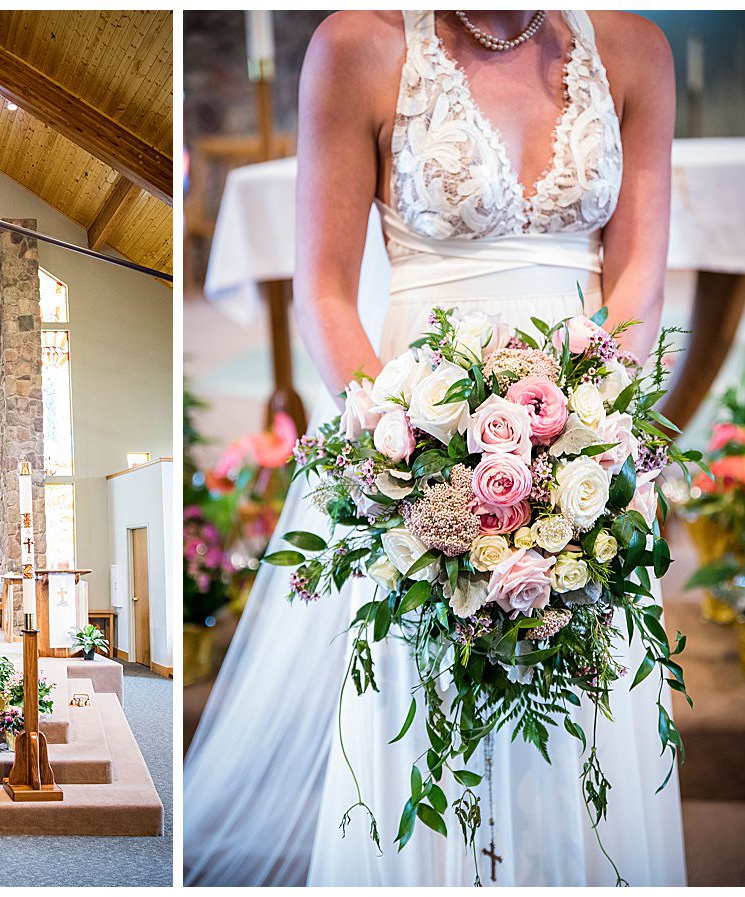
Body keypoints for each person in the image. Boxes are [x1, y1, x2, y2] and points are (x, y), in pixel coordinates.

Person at [184, 10, 683, 886]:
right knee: (430, 709)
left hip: (589, 452)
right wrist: (408, 462)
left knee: (585, 703)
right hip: (419, 447)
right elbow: (327, 294)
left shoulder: (635, 47)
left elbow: (638, 271)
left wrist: (592, 436)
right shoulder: (360, 46)